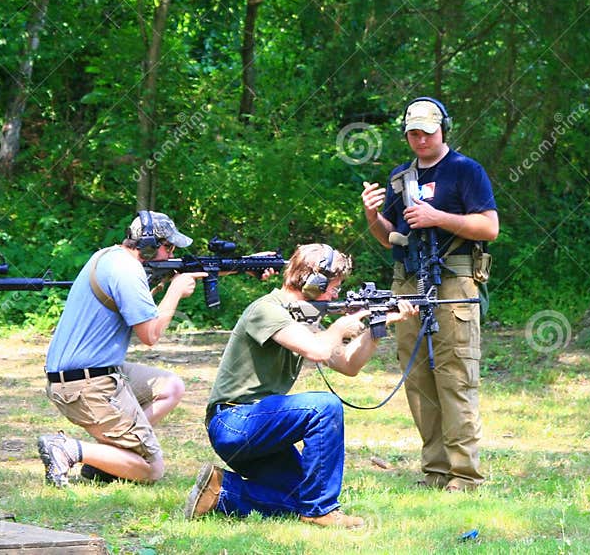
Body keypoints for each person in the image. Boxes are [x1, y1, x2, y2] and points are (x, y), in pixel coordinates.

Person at [184, 243, 418, 529]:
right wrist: (340, 327)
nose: (336, 294)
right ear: (312, 281)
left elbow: (348, 365)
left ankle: (222, 491)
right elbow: (318, 351)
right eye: (333, 286)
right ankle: (323, 510)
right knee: (324, 407)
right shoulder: (267, 310)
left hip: (257, 429)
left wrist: (377, 327)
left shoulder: (299, 318)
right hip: (233, 422)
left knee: (300, 498)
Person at [360, 96, 498, 492]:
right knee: (418, 379)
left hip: (453, 285)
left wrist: (439, 218)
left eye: (427, 131)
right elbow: (389, 239)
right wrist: (373, 215)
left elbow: (490, 228)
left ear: (443, 129)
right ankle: (436, 470)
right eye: (412, 133)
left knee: (455, 377)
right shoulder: (400, 176)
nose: (419, 139)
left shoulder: (465, 171)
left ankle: (465, 475)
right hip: (407, 284)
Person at [35, 211, 206, 487]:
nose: (171, 254)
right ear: (149, 246)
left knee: (170, 387)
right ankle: (68, 449)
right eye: (169, 247)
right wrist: (174, 291)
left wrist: (243, 267)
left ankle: (107, 461)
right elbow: (150, 335)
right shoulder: (127, 271)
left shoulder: (109, 257)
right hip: (86, 385)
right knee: (151, 468)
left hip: (84, 374)